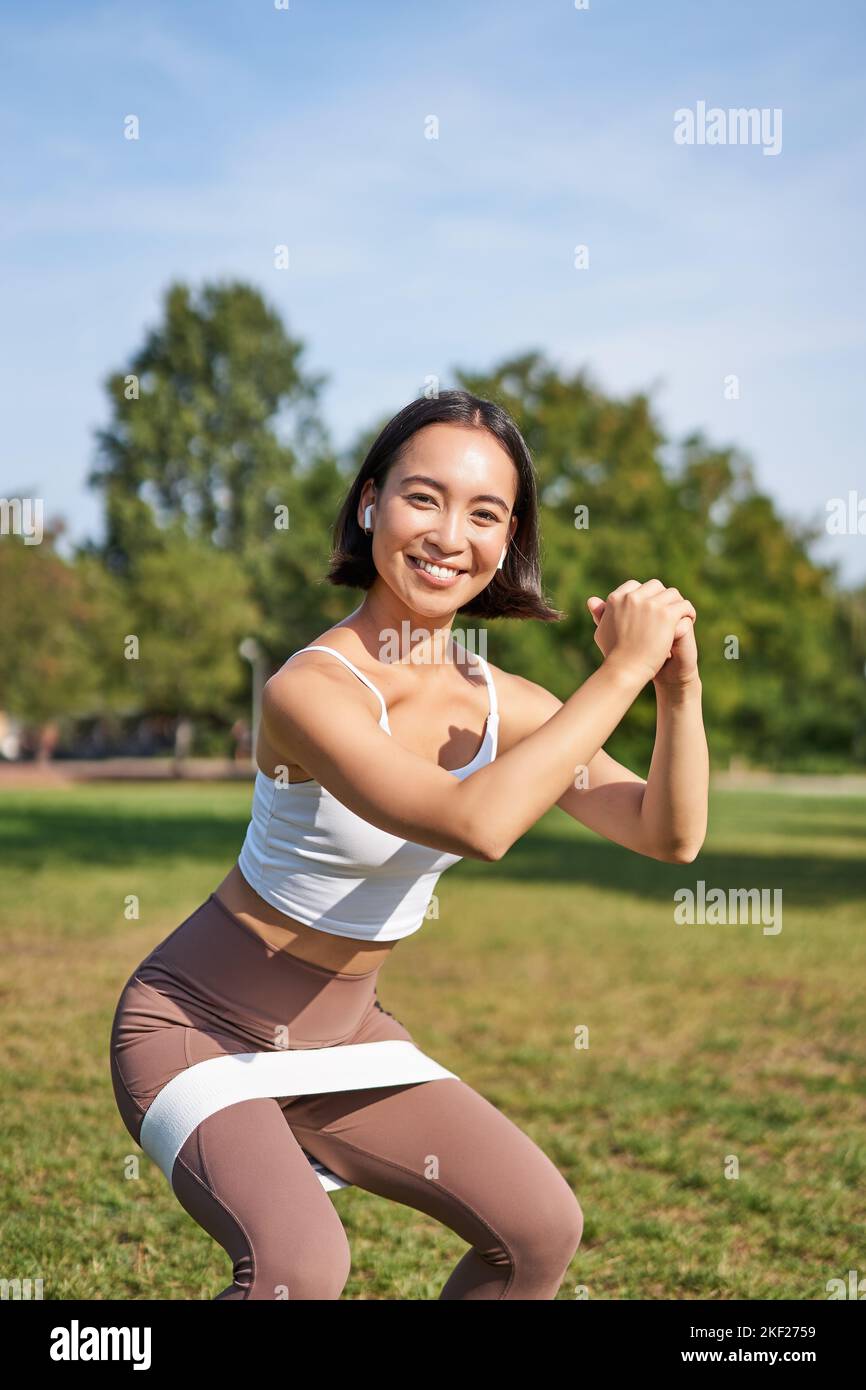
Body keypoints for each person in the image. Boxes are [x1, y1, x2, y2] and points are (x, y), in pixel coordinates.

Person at [109, 389, 708, 1300]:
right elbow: (476, 824)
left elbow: (669, 835)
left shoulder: (507, 704)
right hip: (197, 1025)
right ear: (370, 505)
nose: (448, 535)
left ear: (507, 542)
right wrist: (620, 667)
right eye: (422, 497)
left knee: (539, 1231)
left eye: (485, 513)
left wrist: (676, 689)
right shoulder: (310, 690)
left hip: (347, 1035)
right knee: (297, 1270)